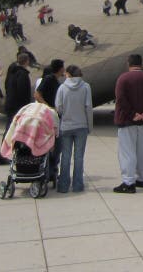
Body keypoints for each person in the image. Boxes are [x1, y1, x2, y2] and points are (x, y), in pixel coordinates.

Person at [113, 54, 143, 194]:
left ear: (128, 63)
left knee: (128, 152)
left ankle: (128, 181)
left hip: (127, 121)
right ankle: (140, 178)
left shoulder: (123, 79)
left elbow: (120, 99)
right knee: (142, 151)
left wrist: (133, 113)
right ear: (142, 63)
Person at [55, 65, 93, 193]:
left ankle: (63, 185)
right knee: (79, 156)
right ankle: (77, 185)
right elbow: (88, 107)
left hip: (66, 125)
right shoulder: (86, 87)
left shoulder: (62, 88)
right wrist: (90, 125)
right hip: (81, 125)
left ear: (68, 74)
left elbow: (58, 107)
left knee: (65, 156)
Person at [0, 53, 32, 165]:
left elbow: (7, 87)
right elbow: (22, 92)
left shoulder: (12, 72)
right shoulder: (22, 74)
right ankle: (4, 155)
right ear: (26, 61)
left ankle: (6, 154)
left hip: (11, 104)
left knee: (10, 129)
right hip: (17, 107)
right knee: (11, 130)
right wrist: (25, 107)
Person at [36, 59, 65, 180]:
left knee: (57, 146)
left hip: (56, 116)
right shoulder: (48, 79)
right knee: (54, 145)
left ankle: (52, 171)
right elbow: (37, 94)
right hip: (49, 117)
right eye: (63, 67)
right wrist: (48, 107)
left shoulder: (56, 80)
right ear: (60, 69)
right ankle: (49, 171)